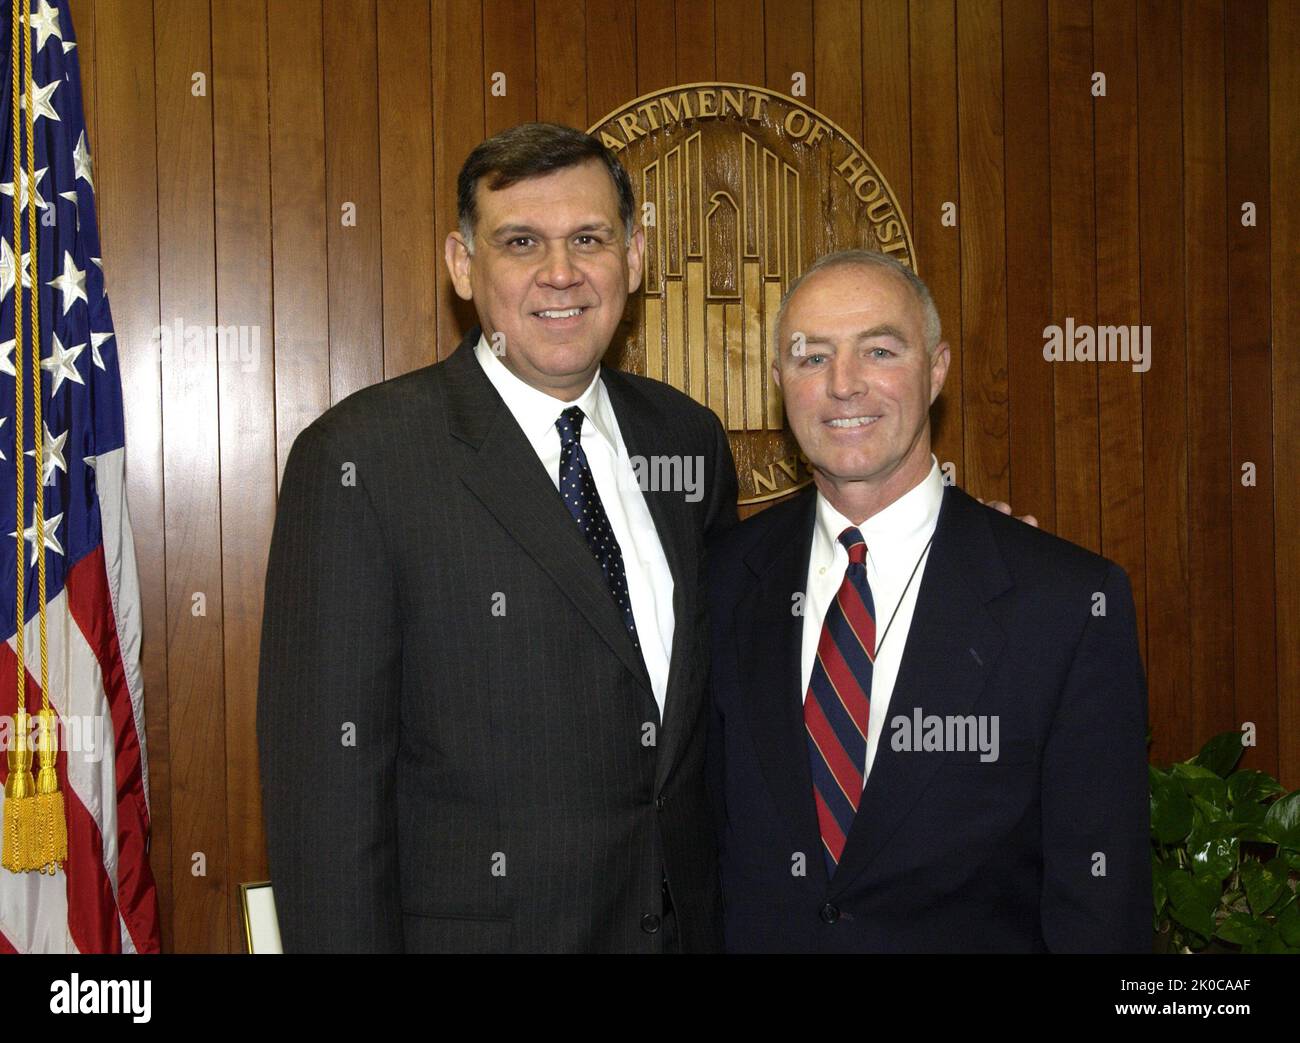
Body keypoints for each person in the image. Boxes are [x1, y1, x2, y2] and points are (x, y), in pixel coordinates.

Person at [257, 123, 737, 953]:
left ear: (635, 254)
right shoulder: (361, 460)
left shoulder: (686, 441)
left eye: (589, 238)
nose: (562, 272)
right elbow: (326, 803)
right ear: (461, 263)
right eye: (521, 242)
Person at [706, 249, 1151, 952]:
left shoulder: (1066, 605)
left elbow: (1101, 909)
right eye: (811, 357)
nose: (843, 385)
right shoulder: (722, 578)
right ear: (777, 381)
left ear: (937, 369)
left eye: (879, 350)